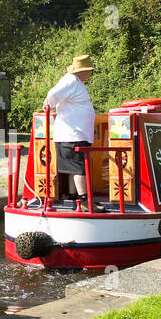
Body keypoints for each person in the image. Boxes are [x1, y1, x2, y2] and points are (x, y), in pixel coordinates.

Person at [42, 55, 96, 207]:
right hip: (72, 136)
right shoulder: (70, 80)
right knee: (79, 169)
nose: (90, 74)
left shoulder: (75, 82)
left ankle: (74, 197)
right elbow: (53, 95)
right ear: (84, 71)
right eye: (90, 71)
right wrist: (49, 105)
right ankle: (85, 201)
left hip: (74, 134)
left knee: (74, 168)